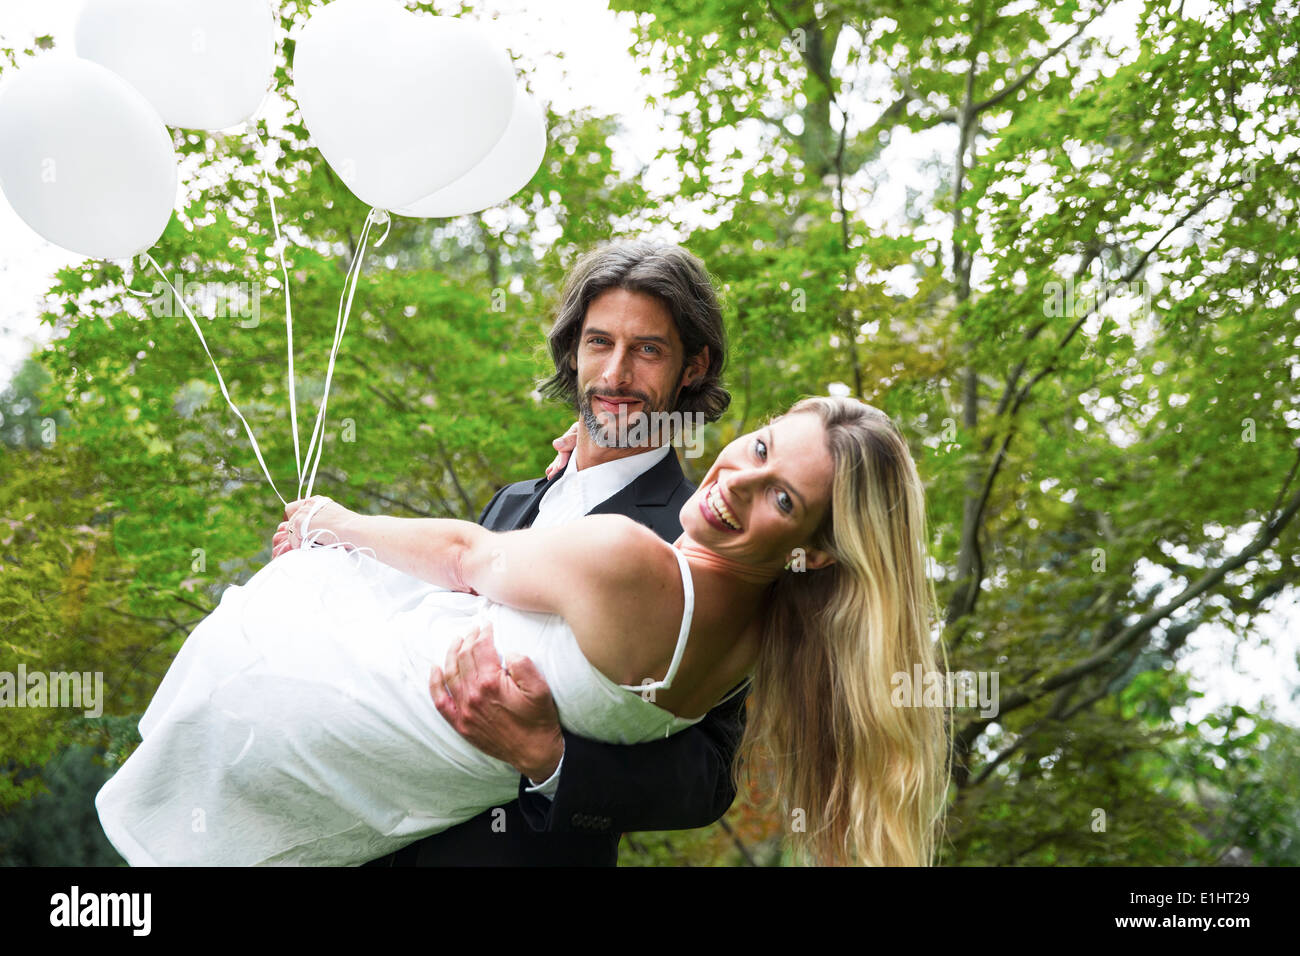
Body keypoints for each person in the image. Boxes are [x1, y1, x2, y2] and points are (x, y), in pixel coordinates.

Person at [94, 393, 950, 867]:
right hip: (410, 790)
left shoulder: (629, 557)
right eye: (760, 447)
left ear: (811, 551)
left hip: (362, 708)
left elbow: (469, 554)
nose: (740, 481)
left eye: (783, 499)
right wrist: (594, 460)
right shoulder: (768, 638)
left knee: (266, 622)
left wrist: (335, 521)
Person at [373, 240, 742, 866]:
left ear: (693, 366)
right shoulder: (513, 503)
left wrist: (552, 759)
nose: (616, 375)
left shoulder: (699, 538)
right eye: (600, 343)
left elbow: (709, 774)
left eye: (648, 349)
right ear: (573, 350)